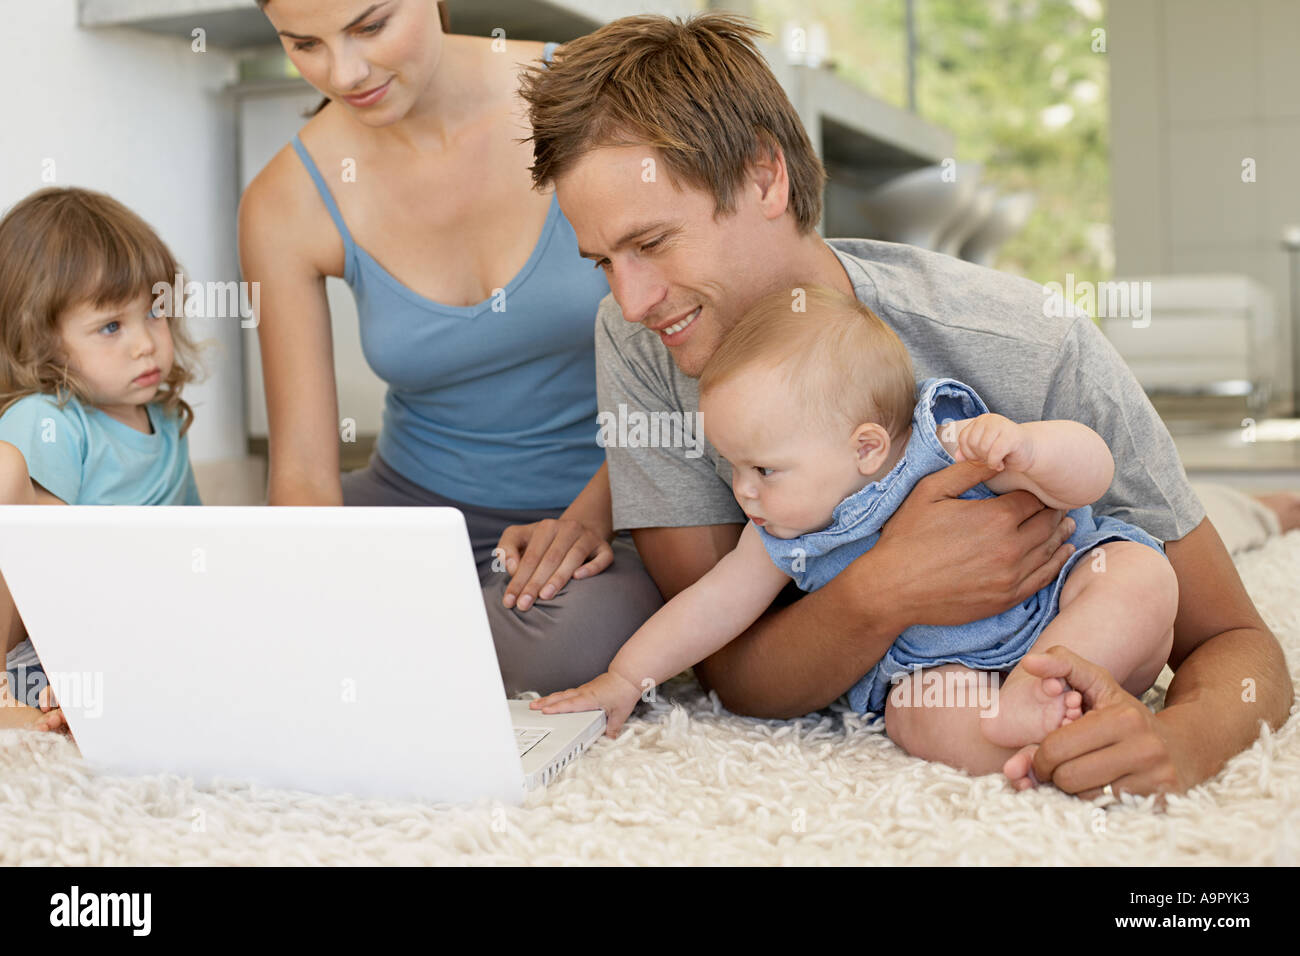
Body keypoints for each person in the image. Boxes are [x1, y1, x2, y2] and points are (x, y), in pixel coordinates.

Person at [518, 12, 1294, 798]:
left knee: (1160, 550)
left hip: (1066, 545)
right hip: (940, 665)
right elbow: (731, 669)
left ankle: (1258, 506)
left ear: (764, 177)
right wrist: (891, 584)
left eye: (651, 243)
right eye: (603, 262)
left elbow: (1230, 636)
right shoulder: (640, 337)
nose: (633, 297)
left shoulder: (1025, 344)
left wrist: (1183, 746)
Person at [535, 287, 1180, 790]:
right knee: (914, 714)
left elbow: (1092, 473)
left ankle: (1040, 694)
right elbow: (710, 607)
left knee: (1137, 577)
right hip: (946, 672)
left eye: (763, 469)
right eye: (732, 467)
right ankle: (1025, 748)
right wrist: (625, 679)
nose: (743, 491)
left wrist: (1030, 448)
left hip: (1064, 612)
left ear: (866, 446)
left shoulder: (946, 441)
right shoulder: (783, 535)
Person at [239, 0, 662, 695]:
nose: (344, 72)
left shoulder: (590, 99)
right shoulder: (286, 198)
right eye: (303, 44)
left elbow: (695, 365)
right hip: (413, 509)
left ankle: (398, 639)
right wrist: (309, 589)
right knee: (232, 583)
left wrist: (594, 516)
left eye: (371, 26)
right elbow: (304, 479)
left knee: (573, 639)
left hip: (608, 505)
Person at [0, 187, 205, 731]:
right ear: (42, 342)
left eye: (156, 313)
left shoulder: (163, 418)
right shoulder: (49, 421)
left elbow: (198, 541)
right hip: (50, 639)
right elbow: (42, 578)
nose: (146, 344)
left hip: (138, 626)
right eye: (111, 326)